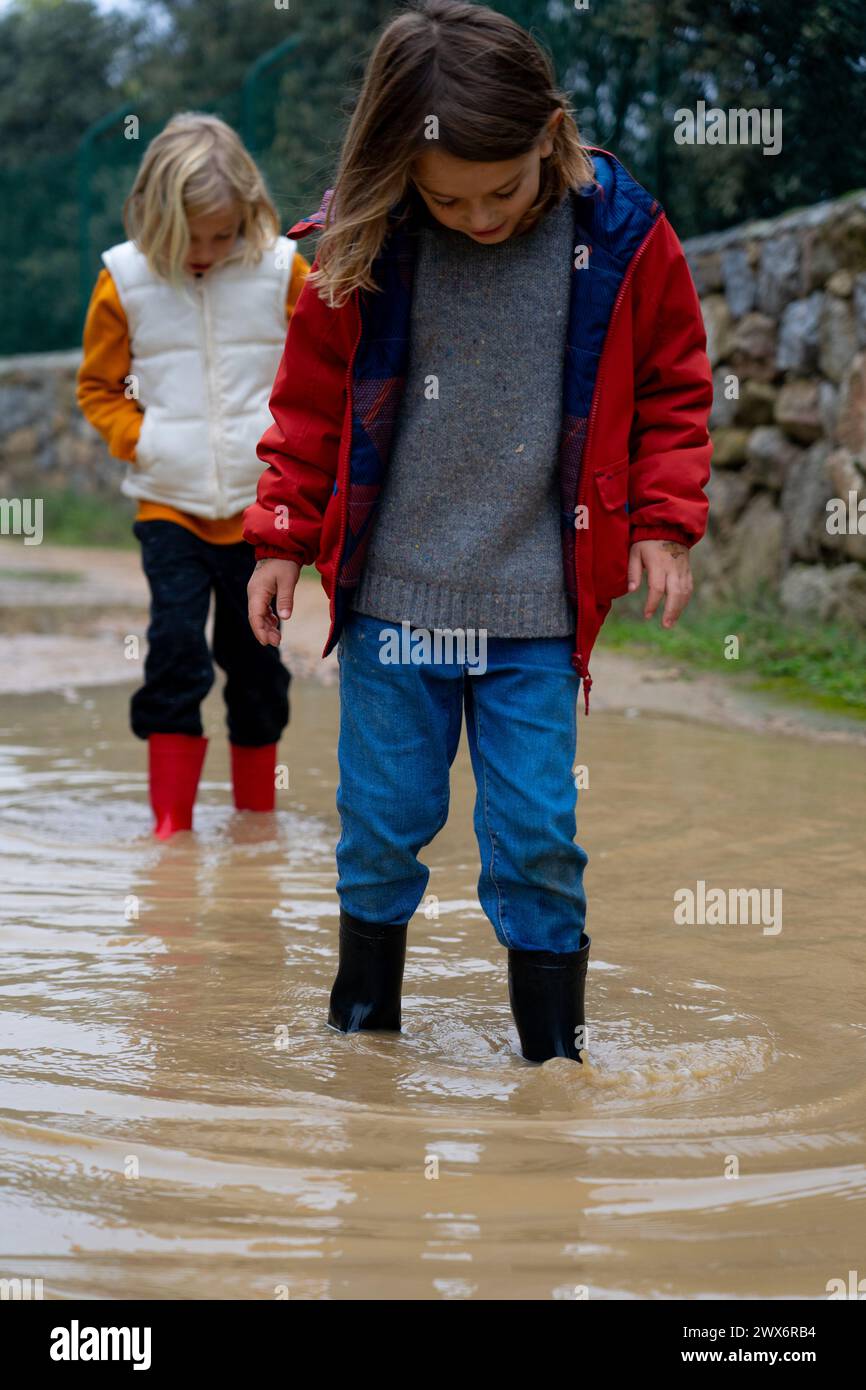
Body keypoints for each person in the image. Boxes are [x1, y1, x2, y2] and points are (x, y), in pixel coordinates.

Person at [244, 0, 712, 1062]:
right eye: (446, 197)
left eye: (501, 189)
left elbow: (673, 384)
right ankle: (363, 1053)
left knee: (539, 836)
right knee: (380, 827)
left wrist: (662, 522)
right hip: (396, 608)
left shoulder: (624, 236)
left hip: (535, 613)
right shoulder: (356, 249)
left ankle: (553, 1068)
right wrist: (278, 535)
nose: (481, 214)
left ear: (549, 132)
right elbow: (309, 407)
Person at [77, 113, 309, 837]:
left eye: (223, 234)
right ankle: (170, 833)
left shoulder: (283, 270)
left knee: (257, 666)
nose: (207, 252)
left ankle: (255, 825)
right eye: (190, 239)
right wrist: (144, 442)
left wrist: (289, 457)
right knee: (176, 656)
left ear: (249, 213)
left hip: (260, 515)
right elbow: (97, 388)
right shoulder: (123, 279)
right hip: (169, 511)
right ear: (153, 217)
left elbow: (318, 377)